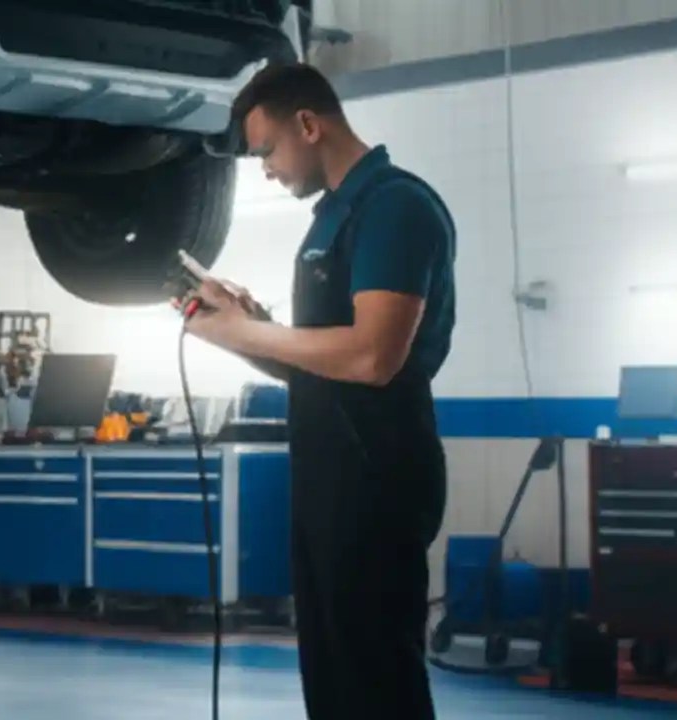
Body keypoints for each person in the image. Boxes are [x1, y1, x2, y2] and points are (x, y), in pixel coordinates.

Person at [183, 62, 455, 719]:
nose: (266, 169)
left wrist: (251, 333)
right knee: (332, 684)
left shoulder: (394, 205)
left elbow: (370, 357)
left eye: (267, 150)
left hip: (377, 478)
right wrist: (244, 331)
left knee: (376, 682)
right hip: (327, 480)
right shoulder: (331, 218)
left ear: (309, 125)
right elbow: (321, 360)